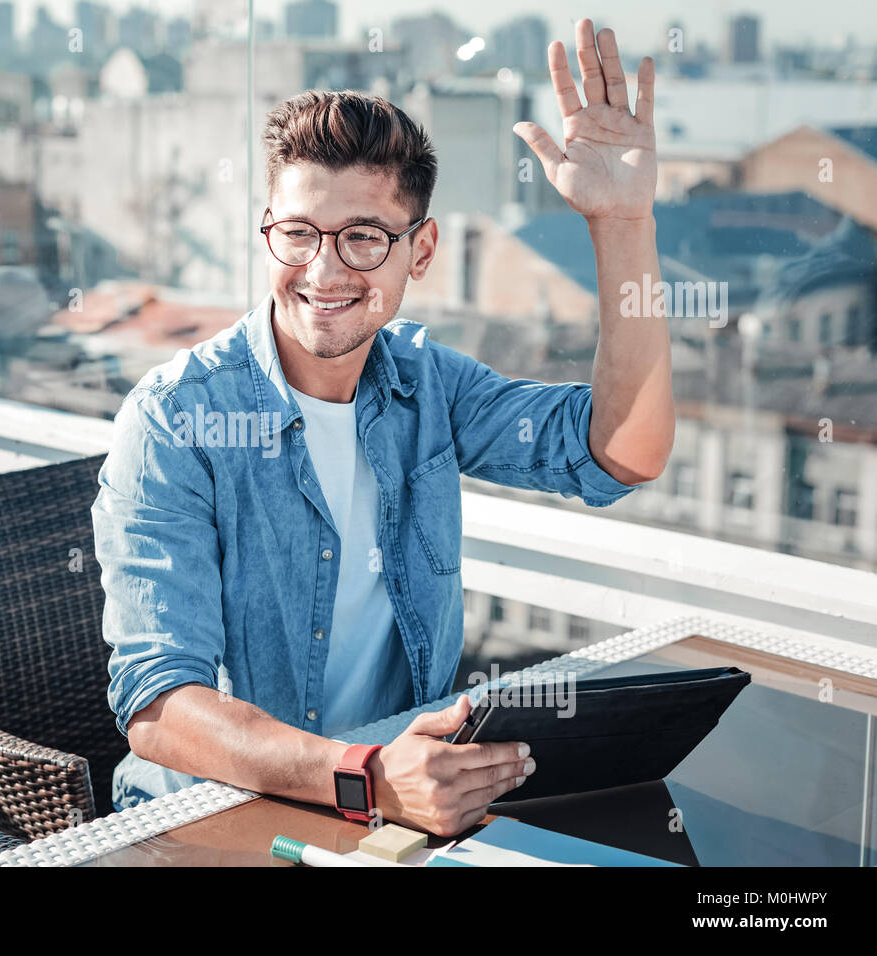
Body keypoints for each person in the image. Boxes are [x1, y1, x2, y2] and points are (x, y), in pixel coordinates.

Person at [91, 19, 673, 837]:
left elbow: (621, 452)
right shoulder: (177, 418)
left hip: (395, 813)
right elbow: (159, 709)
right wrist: (364, 778)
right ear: (267, 230)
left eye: (363, 238)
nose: (324, 272)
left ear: (420, 249)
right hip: (211, 817)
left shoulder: (428, 383)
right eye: (298, 234)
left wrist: (622, 226)